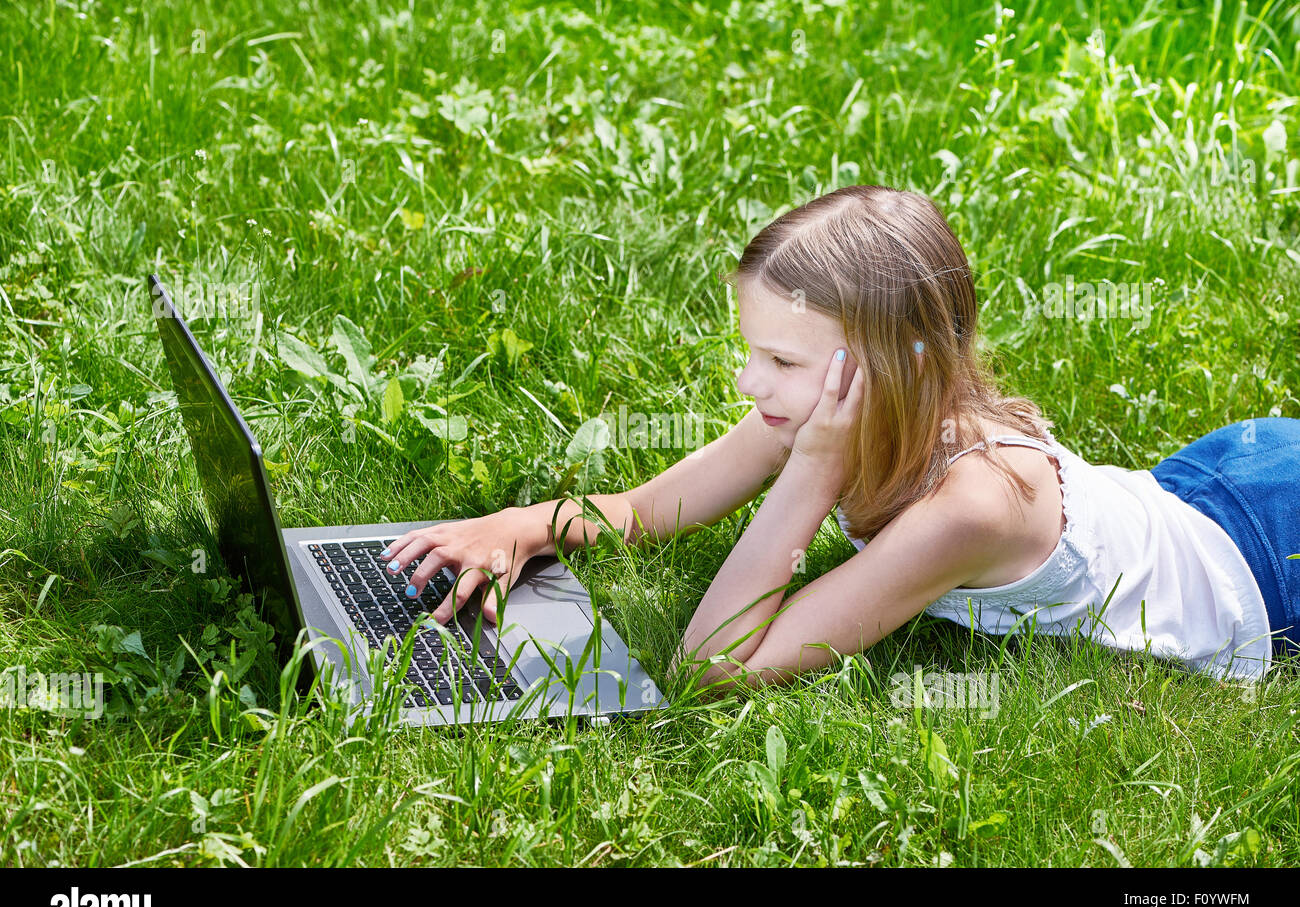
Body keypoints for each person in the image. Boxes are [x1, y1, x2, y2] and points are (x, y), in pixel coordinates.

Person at [377, 185, 1298, 695]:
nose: (749, 384)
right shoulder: (837, 403)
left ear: (886, 366)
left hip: (1268, 556)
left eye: (780, 358)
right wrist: (520, 526)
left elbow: (713, 664)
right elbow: (646, 510)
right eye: (754, 352)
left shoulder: (970, 504)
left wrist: (811, 470)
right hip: (1210, 477)